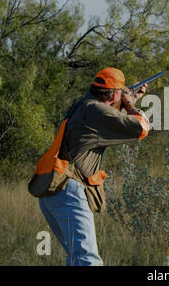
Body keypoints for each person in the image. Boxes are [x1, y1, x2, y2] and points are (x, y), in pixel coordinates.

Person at [38, 67, 150, 266]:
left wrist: (128, 101)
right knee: (87, 261)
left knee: (77, 259)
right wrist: (131, 104)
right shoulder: (96, 110)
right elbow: (141, 128)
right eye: (121, 92)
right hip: (69, 191)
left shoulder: (83, 105)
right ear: (116, 94)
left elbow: (108, 117)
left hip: (53, 190)